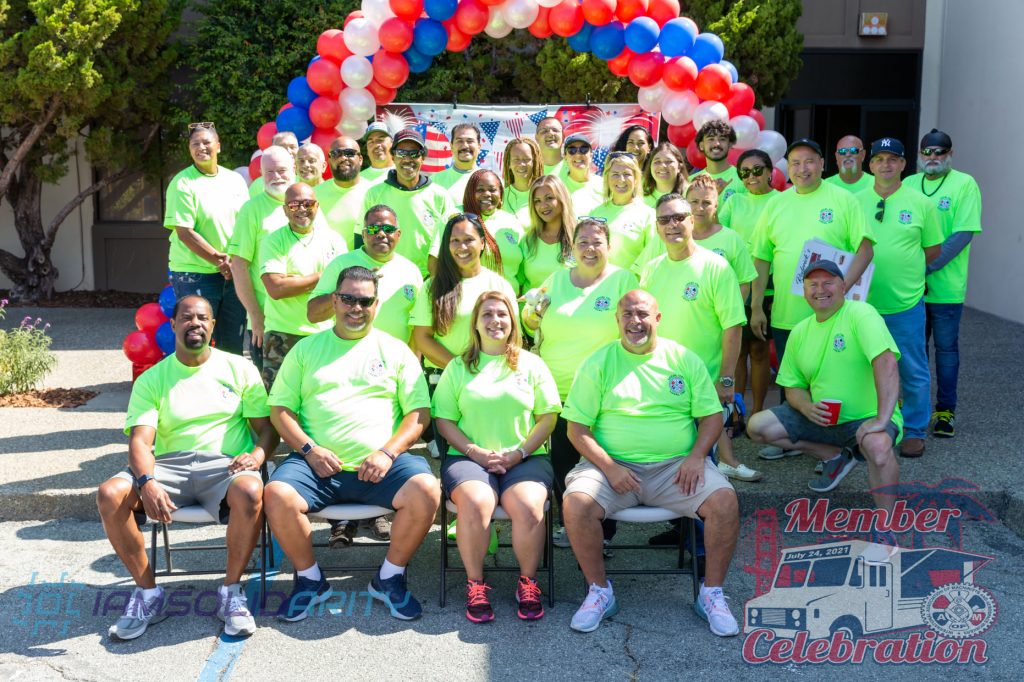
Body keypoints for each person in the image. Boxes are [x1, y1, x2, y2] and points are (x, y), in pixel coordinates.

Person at [264, 265, 440, 622]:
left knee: (426, 489)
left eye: (365, 301)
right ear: (334, 301)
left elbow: (419, 414)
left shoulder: (396, 351)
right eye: (348, 299)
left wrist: (388, 452)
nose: (356, 308)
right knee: (276, 494)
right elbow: (280, 410)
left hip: (381, 465)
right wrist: (309, 450)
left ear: (376, 305)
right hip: (316, 466)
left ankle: (389, 578)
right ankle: (310, 581)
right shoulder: (306, 349)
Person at [97, 294, 278, 640]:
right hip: (169, 467)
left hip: (224, 467)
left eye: (202, 318)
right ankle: (148, 594)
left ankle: (231, 593)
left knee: (251, 488)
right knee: (110, 493)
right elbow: (140, 442)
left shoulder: (239, 368)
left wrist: (256, 456)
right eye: (187, 317)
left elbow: (267, 430)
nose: (195, 323)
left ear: (213, 325)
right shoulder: (153, 378)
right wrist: (148, 482)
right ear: (173, 324)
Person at [561, 290, 740, 636]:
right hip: (611, 468)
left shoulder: (684, 359)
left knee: (724, 501)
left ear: (657, 318)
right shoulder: (598, 362)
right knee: (576, 503)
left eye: (642, 314)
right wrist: (609, 467)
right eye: (627, 314)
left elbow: (711, 417)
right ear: (617, 319)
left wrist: (696, 456)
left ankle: (712, 594)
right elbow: (576, 429)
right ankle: (599, 592)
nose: (635, 322)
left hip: (676, 468)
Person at [746, 261, 903, 534]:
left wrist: (881, 419)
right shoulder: (800, 331)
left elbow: (886, 362)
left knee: (878, 448)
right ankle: (834, 456)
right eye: (813, 284)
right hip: (823, 419)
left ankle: (886, 524)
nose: (820, 289)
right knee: (758, 426)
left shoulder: (861, 313)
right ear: (804, 291)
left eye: (828, 282)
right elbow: (793, 387)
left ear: (843, 286)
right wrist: (806, 407)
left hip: (866, 418)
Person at [433, 291, 560, 622]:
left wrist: (520, 452)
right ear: (475, 323)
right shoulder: (458, 367)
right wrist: (473, 451)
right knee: (476, 503)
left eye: (502, 314)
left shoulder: (532, 365)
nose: (495, 321)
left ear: (513, 322)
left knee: (529, 505)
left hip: (525, 457)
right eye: (487, 314)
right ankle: (475, 584)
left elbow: (547, 417)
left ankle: (528, 583)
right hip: (468, 458)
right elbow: (443, 419)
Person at [522, 218, 638, 548]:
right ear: (572, 247)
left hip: (604, 391)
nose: (589, 248)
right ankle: (570, 524)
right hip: (557, 389)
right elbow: (531, 323)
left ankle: (604, 530)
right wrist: (531, 316)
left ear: (609, 246)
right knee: (563, 461)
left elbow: (635, 328)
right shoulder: (556, 280)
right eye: (582, 242)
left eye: (596, 242)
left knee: (603, 460)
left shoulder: (623, 280)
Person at [645, 182, 759, 482]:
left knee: (701, 468)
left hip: (705, 381)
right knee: (672, 464)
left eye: (679, 217)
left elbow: (733, 327)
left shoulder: (716, 267)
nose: (672, 225)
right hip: (662, 381)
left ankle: (711, 499)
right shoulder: (651, 269)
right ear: (657, 227)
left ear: (691, 221)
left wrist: (726, 380)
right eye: (664, 219)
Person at [749, 138, 875, 368]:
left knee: (830, 382)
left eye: (809, 161)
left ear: (822, 164)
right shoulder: (775, 204)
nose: (802, 169)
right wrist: (756, 307)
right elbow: (761, 259)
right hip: (786, 317)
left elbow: (865, 251)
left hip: (831, 316)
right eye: (795, 163)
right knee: (791, 383)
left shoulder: (844, 200)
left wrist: (843, 287)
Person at [856, 137, 943, 457]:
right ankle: (868, 425)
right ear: (870, 164)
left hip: (905, 304)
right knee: (863, 369)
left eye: (893, 159)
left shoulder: (921, 203)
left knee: (913, 370)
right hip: (863, 305)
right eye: (879, 159)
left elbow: (933, 249)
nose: (886, 165)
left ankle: (915, 430)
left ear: (904, 164)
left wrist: (906, 272)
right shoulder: (856, 202)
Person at [905, 128, 983, 439]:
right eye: (928, 152)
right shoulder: (909, 184)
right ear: (920, 155)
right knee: (913, 351)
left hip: (946, 288)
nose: (933, 157)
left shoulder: (965, 184)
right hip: (910, 289)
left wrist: (924, 267)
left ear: (950, 154)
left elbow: (962, 234)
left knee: (946, 351)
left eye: (940, 152)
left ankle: (945, 411)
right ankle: (916, 411)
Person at [164, 122, 249, 356]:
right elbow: (185, 232)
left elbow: (244, 224)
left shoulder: (235, 180)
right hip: (196, 274)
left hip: (232, 272)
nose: (201, 147)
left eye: (206, 142)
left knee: (232, 342)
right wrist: (219, 260)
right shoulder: (182, 183)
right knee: (195, 340)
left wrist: (235, 261)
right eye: (195, 144)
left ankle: (227, 380)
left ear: (218, 146)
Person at [258, 183, 346, 390]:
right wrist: (324, 276)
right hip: (282, 335)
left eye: (308, 204)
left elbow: (343, 285)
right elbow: (276, 288)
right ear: (285, 210)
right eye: (294, 205)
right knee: (278, 396)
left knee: (320, 396)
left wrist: (295, 281)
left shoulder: (335, 241)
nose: (301, 209)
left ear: (317, 206)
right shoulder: (273, 241)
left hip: (325, 334)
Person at [412, 214, 518, 380]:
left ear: (482, 243)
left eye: (469, 240)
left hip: (490, 378)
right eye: (455, 241)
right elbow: (422, 337)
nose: (462, 247)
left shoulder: (500, 285)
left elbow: (513, 338)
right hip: (444, 378)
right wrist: (461, 369)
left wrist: (485, 372)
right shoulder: (432, 287)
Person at [227, 146, 300, 371]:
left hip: (305, 321)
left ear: (294, 169)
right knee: (272, 388)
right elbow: (238, 266)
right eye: (269, 172)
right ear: (260, 173)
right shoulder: (251, 210)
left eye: (282, 170)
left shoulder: (307, 204)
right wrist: (255, 316)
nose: (276, 176)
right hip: (268, 323)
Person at [718, 149, 778, 418]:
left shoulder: (781, 200)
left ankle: (757, 411)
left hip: (770, 285)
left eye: (757, 170)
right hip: (737, 284)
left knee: (759, 349)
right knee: (737, 351)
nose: (751, 177)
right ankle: (736, 413)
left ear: (770, 172)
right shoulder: (734, 202)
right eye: (744, 172)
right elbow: (718, 232)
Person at [309, 205, 423, 343]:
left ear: (398, 234)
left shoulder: (411, 271)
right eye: (373, 229)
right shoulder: (341, 264)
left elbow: (418, 326)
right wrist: (347, 290)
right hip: (349, 352)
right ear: (363, 235)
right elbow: (313, 314)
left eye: (388, 229)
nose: (381, 234)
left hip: (395, 355)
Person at [363, 128, 457, 277]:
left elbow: (453, 240)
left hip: (428, 278)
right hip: (384, 276)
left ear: (423, 158)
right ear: (393, 157)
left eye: (414, 154)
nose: (407, 159)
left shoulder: (440, 195)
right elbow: (361, 236)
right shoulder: (374, 193)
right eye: (401, 153)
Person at [588, 152, 657, 270]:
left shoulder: (648, 215)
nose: (621, 179)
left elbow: (652, 259)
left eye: (627, 174)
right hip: (600, 280)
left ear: (636, 179)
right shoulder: (595, 213)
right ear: (607, 178)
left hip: (632, 281)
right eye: (615, 174)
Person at [315, 135, 373, 251]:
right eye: (336, 154)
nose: (343, 158)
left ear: (360, 159)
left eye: (349, 153)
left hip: (363, 261)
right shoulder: (314, 195)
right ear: (329, 160)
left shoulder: (373, 192)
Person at [520, 175, 575, 292]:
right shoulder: (528, 240)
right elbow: (519, 284)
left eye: (549, 198)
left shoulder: (579, 238)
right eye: (537, 201)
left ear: (562, 198)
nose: (543, 206)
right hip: (531, 304)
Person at [694, 120, 744, 203]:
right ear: (701, 145)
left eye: (722, 139)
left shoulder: (743, 179)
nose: (716, 144)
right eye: (711, 139)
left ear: (730, 144)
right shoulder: (692, 181)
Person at [433, 123, 483, 204]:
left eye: (470, 141)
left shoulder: (491, 180)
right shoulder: (435, 180)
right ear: (451, 147)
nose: (465, 146)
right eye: (459, 141)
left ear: (479, 147)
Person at [560, 133, 604, 215]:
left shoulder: (604, 185)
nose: (578, 154)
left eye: (584, 149)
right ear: (565, 156)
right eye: (572, 150)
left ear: (591, 155)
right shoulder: (558, 187)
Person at [502, 137, 544, 219]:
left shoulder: (544, 193)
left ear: (534, 162)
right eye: (516, 159)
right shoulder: (501, 197)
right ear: (509, 163)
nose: (521, 164)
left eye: (526, 159)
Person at [249, 131, 299, 197]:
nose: (289, 151)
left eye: (292, 147)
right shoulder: (258, 186)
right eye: (282, 148)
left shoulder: (307, 180)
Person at [642, 141, 688, 208]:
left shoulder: (690, 194)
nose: (662, 166)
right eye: (657, 162)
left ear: (679, 167)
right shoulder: (639, 193)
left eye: (669, 161)